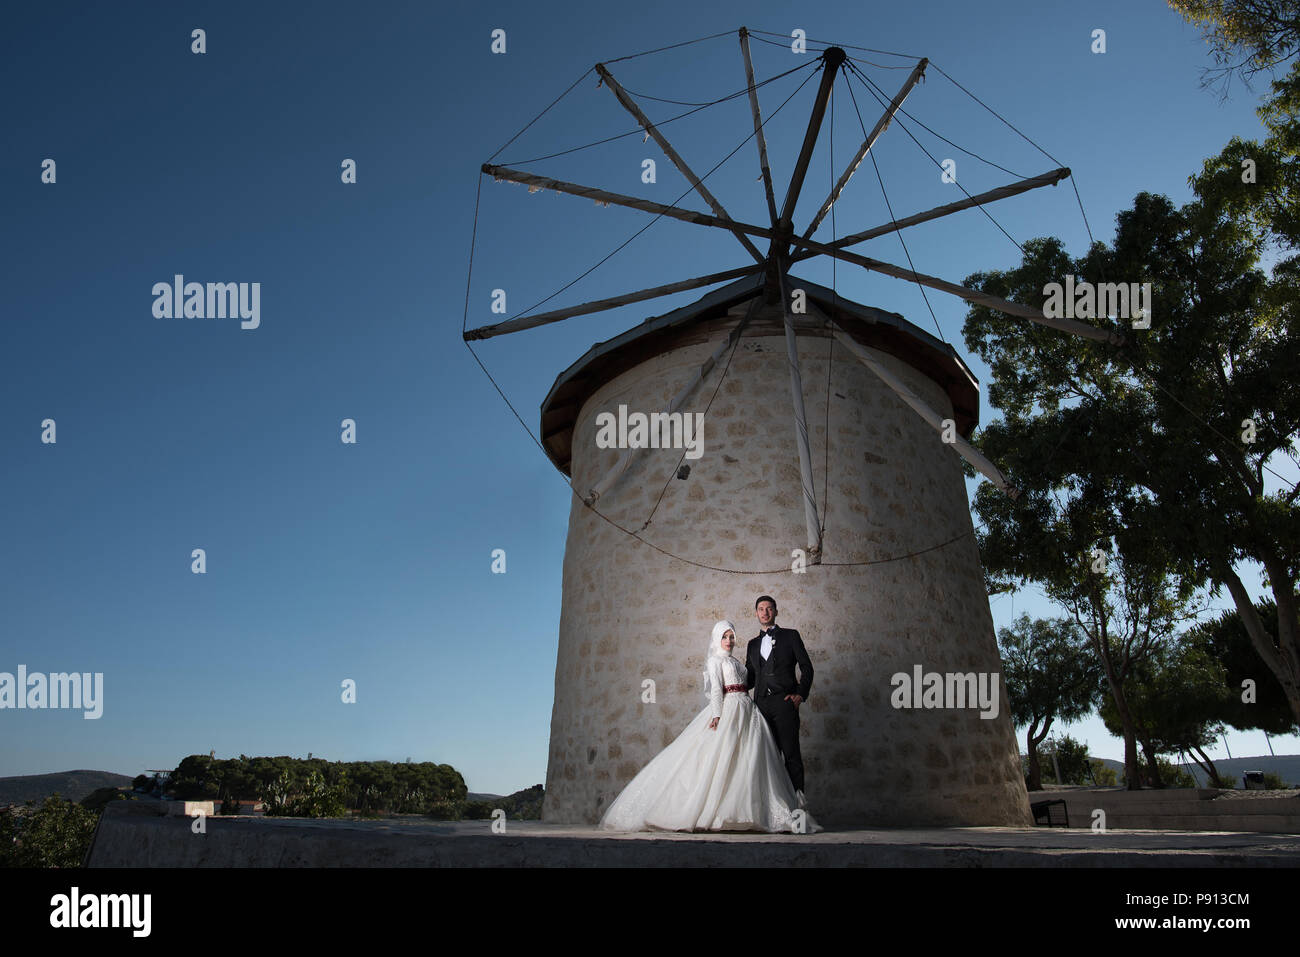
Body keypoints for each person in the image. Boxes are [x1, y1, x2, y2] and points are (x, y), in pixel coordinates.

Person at [599, 620, 819, 833]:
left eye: (731, 636)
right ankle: (718, 812)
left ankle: (756, 810)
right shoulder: (715, 661)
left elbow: (751, 679)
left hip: (749, 709)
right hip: (730, 709)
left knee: (751, 759)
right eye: (724, 636)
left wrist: (793, 692)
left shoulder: (736, 661)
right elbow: (716, 689)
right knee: (723, 758)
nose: (729, 640)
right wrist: (716, 715)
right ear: (717, 638)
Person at [745, 595, 813, 803]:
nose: (765, 612)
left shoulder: (791, 636)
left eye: (769, 608)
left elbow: (807, 667)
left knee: (791, 754)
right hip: (761, 705)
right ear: (756, 613)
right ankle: (772, 807)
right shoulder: (752, 644)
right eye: (761, 609)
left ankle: (799, 805)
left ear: (776, 612)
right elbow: (749, 679)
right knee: (766, 757)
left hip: (784, 703)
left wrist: (800, 694)